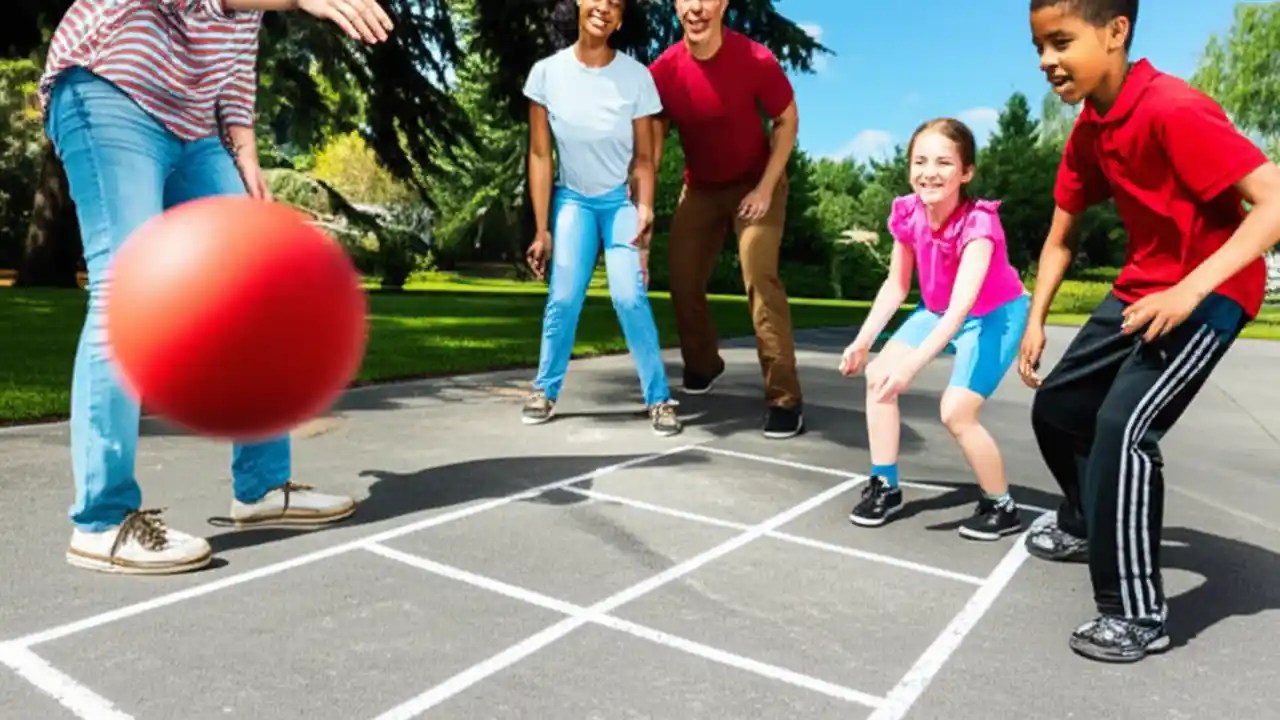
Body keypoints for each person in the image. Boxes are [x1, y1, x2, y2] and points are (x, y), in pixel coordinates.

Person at [37, 0, 393, 575]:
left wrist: (244, 147)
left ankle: (262, 487)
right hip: (109, 85)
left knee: (257, 286)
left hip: (193, 123)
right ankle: (101, 521)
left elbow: (234, 46)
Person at [1022, 0, 1280, 663]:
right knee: (1058, 409)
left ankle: (1136, 614)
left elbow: (1274, 200)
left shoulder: (1172, 108)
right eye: (1039, 47)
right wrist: (1035, 319)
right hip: (1144, 284)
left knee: (1123, 429)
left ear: (1116, 32)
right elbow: (1060, 237)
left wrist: (1190, 290)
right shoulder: (1089, 130)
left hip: (1213, 291)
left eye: (1060, 42)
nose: (1047, 60)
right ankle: (1087, 519)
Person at [838, 118, 1030, 539]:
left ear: (966, 172)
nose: (930, 172)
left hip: (994, 314)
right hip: (937, 308)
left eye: (944, 162)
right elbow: (896, 285)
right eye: (920, 161)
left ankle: (1001, 504)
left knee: (956, 412)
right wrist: (863, 341)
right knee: (878, 377)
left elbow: (961, 311)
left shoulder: (980, 224)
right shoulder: (907, 212)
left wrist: (911, 367)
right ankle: (885, 486)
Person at [520, 0, 682, 437]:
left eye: (615, 4)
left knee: (629, 297)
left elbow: (645, 158)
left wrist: (645, 208)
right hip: (572, 201)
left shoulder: (636, 78)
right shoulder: (546, 74)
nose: (604, 8)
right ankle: (544, 389)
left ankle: (659, 398)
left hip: (619, 203)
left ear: (621, 19)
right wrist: (542, 229)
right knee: (563, 297)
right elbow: (540, 155)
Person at [648, 0, 804, 439]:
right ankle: (703, 363)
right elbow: (654, 139)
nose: (696, 8)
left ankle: (785, 398)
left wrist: (765, 188)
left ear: (723, 4)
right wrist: (642, 198)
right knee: (682, 278)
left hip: (757, 182)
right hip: (701, 187)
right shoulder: (664, 71)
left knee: (759, 275)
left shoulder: (755, 59)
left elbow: (787, 120)